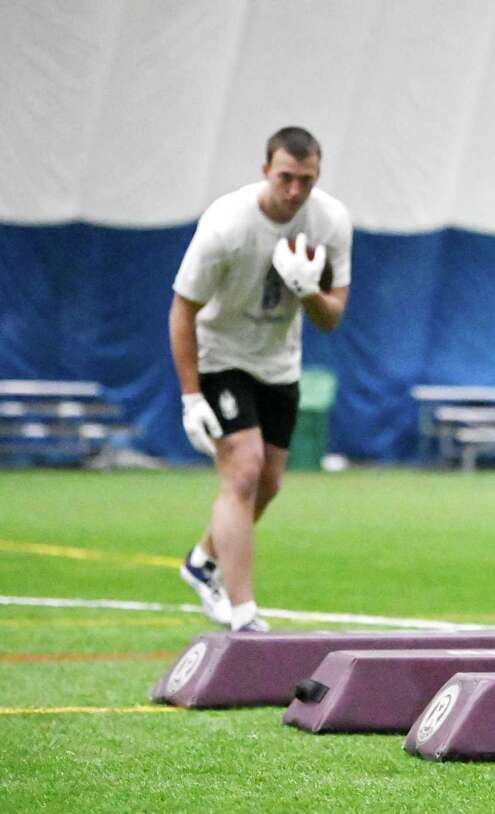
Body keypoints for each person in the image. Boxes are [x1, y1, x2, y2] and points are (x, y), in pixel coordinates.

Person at [168, 127, 351, 632]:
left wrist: (308, 290)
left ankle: (202, 561)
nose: (295, 190)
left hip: (279, 364)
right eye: (285, 177)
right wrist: (191, 397)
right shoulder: (226, 225)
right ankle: (243, 611)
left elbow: (332, 317)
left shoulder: (331, 221)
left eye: (306, 180)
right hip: (220, 357)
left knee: (268, 484)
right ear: (266, 170)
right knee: (243, 472)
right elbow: (183, 310)